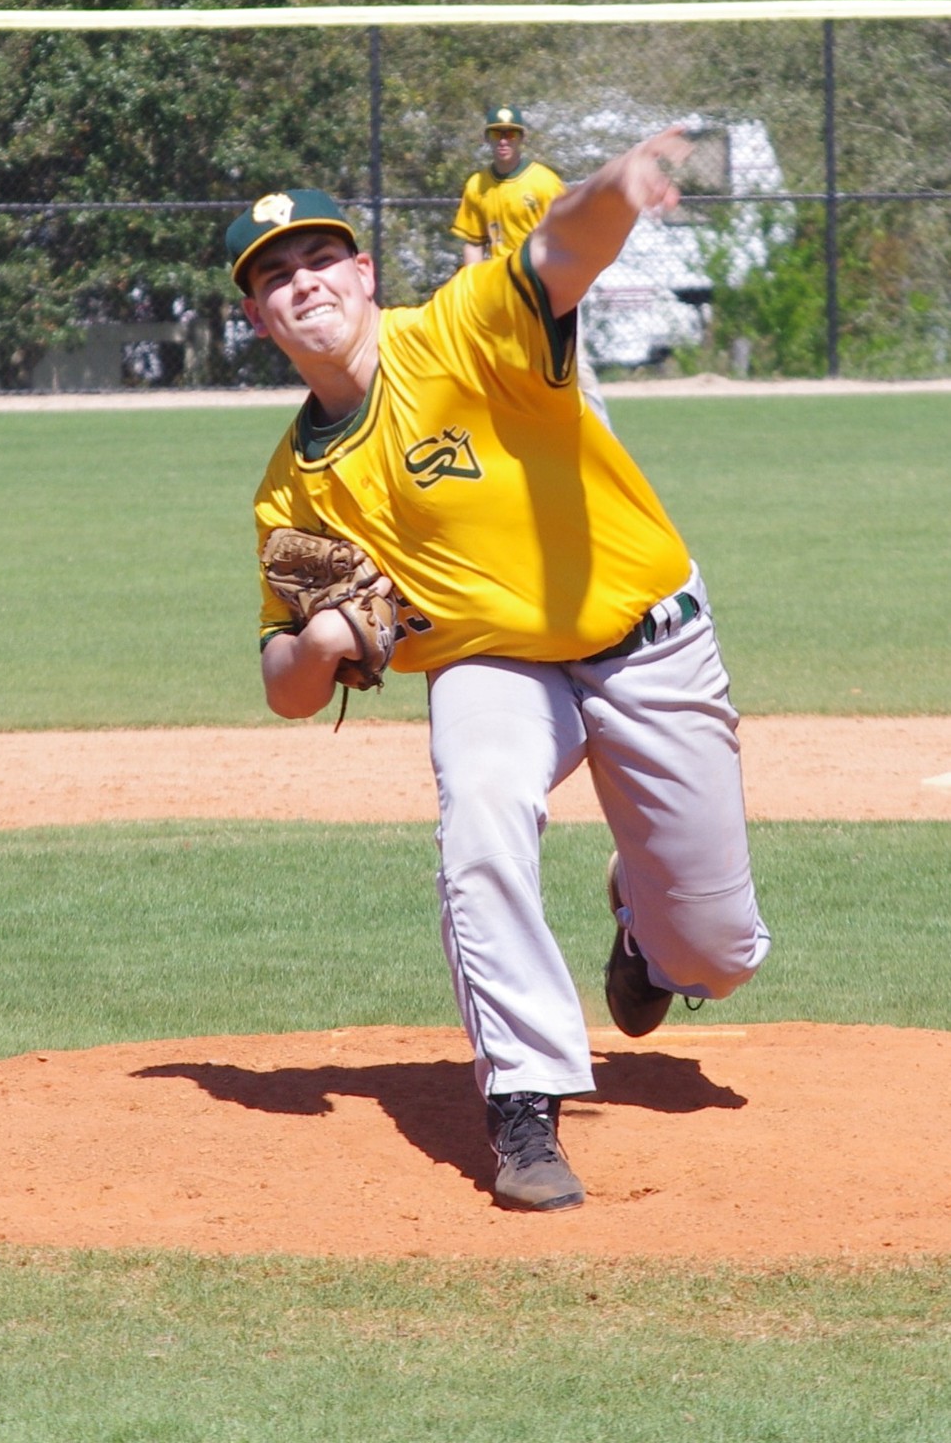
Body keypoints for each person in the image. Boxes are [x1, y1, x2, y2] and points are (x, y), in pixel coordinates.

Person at [227, 130, 771, 1214]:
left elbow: (558, 252)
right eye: (274, 276)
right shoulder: (294, 492)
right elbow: (284, 685)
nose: (303, 284)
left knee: (718, 953)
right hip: (489, 664)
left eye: (320, 258)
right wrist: (322, 642)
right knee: (478, 809)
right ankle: (523, 1102)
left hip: (645, 636)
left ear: (364, 274)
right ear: (256, 317)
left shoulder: (458, 333)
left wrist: (614, 190)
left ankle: (646, 931)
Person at [451, 104, 611, 427]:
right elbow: (473, 241)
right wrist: (470, 288)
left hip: (546, 289)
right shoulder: (477, 186)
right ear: (487, 138)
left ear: (521, 139)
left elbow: (568, 232)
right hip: (502, 293)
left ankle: (605, 438)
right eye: (497, 133)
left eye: (510, 133)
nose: (503, 140)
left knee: (574, 367)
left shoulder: (542, 182)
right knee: (503, 370)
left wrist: (567, 282)